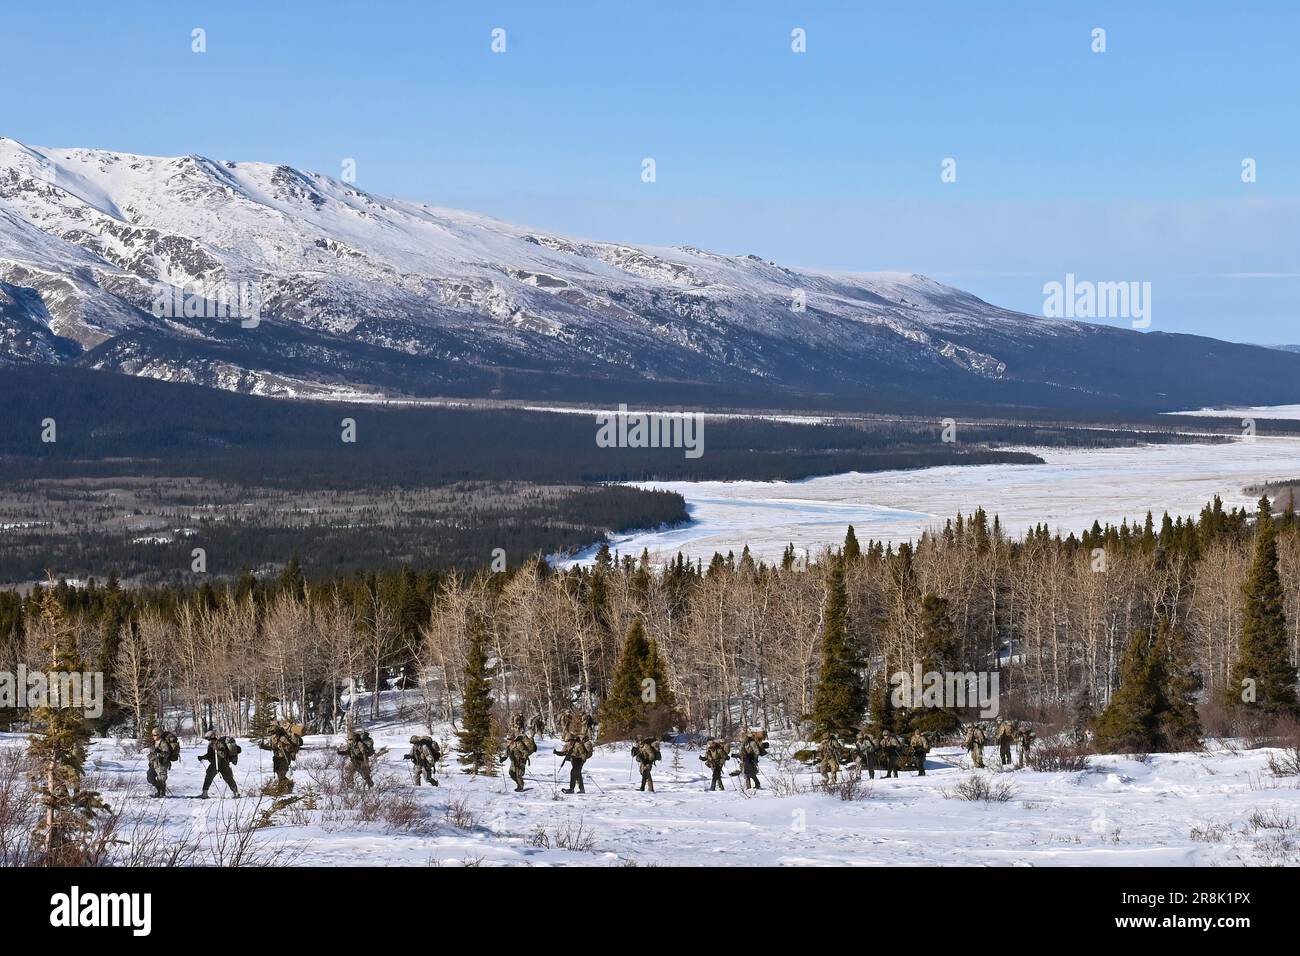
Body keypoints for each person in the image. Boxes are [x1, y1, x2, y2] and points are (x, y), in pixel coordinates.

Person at [258, 720, 303, 792]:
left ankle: (287, 787)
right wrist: (263, 746)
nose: (272, 733)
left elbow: (290, 747)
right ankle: (283, 789)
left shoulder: (282, 738)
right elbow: (272, 747)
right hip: (277, 758)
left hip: (284, 758)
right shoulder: (273, 738)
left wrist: (285, 748)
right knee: (279, 775)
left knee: (281, 775)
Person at [197, 730, 241, 798]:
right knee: (229, 778)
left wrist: (203, 757)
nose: (207, 739)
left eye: (207, 737)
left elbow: (211, 755)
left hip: (216, 763)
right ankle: (236, 792)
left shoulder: (213, 743)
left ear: (210, 736)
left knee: (209, 777)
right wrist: (203, 757)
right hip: (225, 763)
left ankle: (204, 793)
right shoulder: (219, 742)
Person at [146, 727, 180, 798]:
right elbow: (152, 753)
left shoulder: (163, 742)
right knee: (150, 777)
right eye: (153, 735)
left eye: (155, 735)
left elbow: (167, 753)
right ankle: (159, 790)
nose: (153, 736)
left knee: (161, 779)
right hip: (154, 763)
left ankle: (161, 794)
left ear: (159, 735)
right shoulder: (154, 742)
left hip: (162, 763)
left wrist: (159, 752)